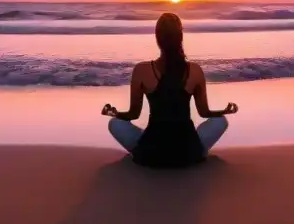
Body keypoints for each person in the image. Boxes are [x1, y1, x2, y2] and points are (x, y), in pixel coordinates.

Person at [102, 12, 238, 167]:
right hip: (188, 153)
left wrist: (114, 113)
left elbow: (133, 114)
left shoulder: (142, 70)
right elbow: (204, 112)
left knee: (114, 123)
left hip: (151, 154)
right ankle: (200, 151)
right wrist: (223, 111)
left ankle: (140, 150)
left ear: (157, 38)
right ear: (180, 37)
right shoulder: (195, 70)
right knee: (221, 121)